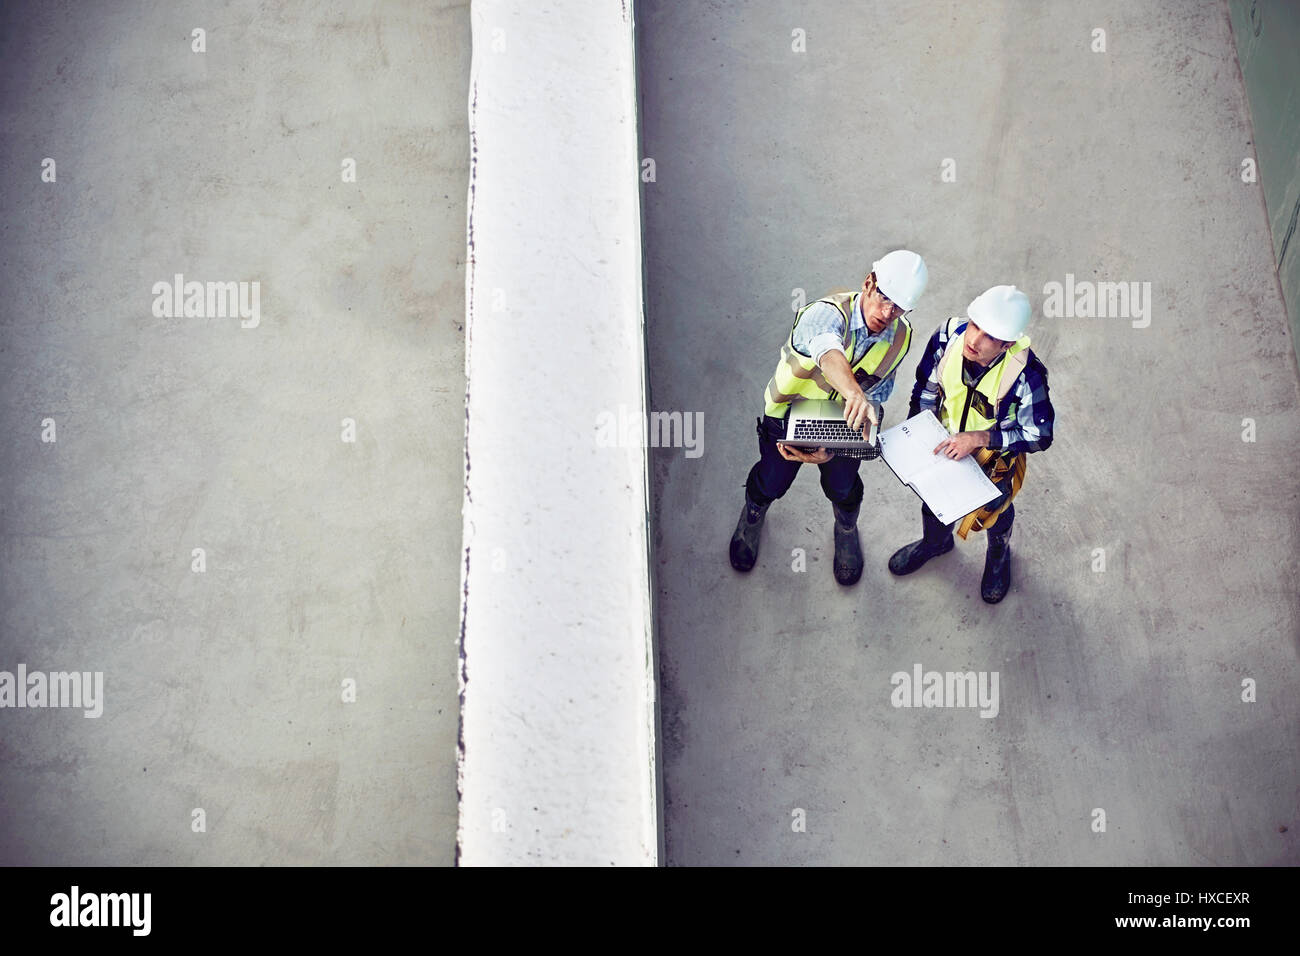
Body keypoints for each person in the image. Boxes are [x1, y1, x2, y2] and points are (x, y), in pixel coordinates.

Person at [729, 250, 928, 585]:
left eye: (899, 307)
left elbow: (878, 393)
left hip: (842, 426)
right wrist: (852, 392)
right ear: (869, 283)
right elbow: (827, 350)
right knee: (772, 480)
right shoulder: (825, 314)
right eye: (883, 298)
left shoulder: (901, 336)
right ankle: (753, 514)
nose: (887, 312)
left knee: (843, 487)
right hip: (786, 416)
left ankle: (846, 526)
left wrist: (834, 446)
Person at [887, 285, 1055, 603]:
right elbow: (925, 386)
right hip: (943, 443)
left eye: (989, 336)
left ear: (1006, 344)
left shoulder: (1026, 377)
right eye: (975, 325)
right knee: (935, 500)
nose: (974, 341)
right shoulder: (947, 337)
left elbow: (1039, 435)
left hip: (993, 459)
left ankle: (998, 556)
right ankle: (936, 543)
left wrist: (981, 438)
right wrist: (922, 433)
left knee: (995, 510)